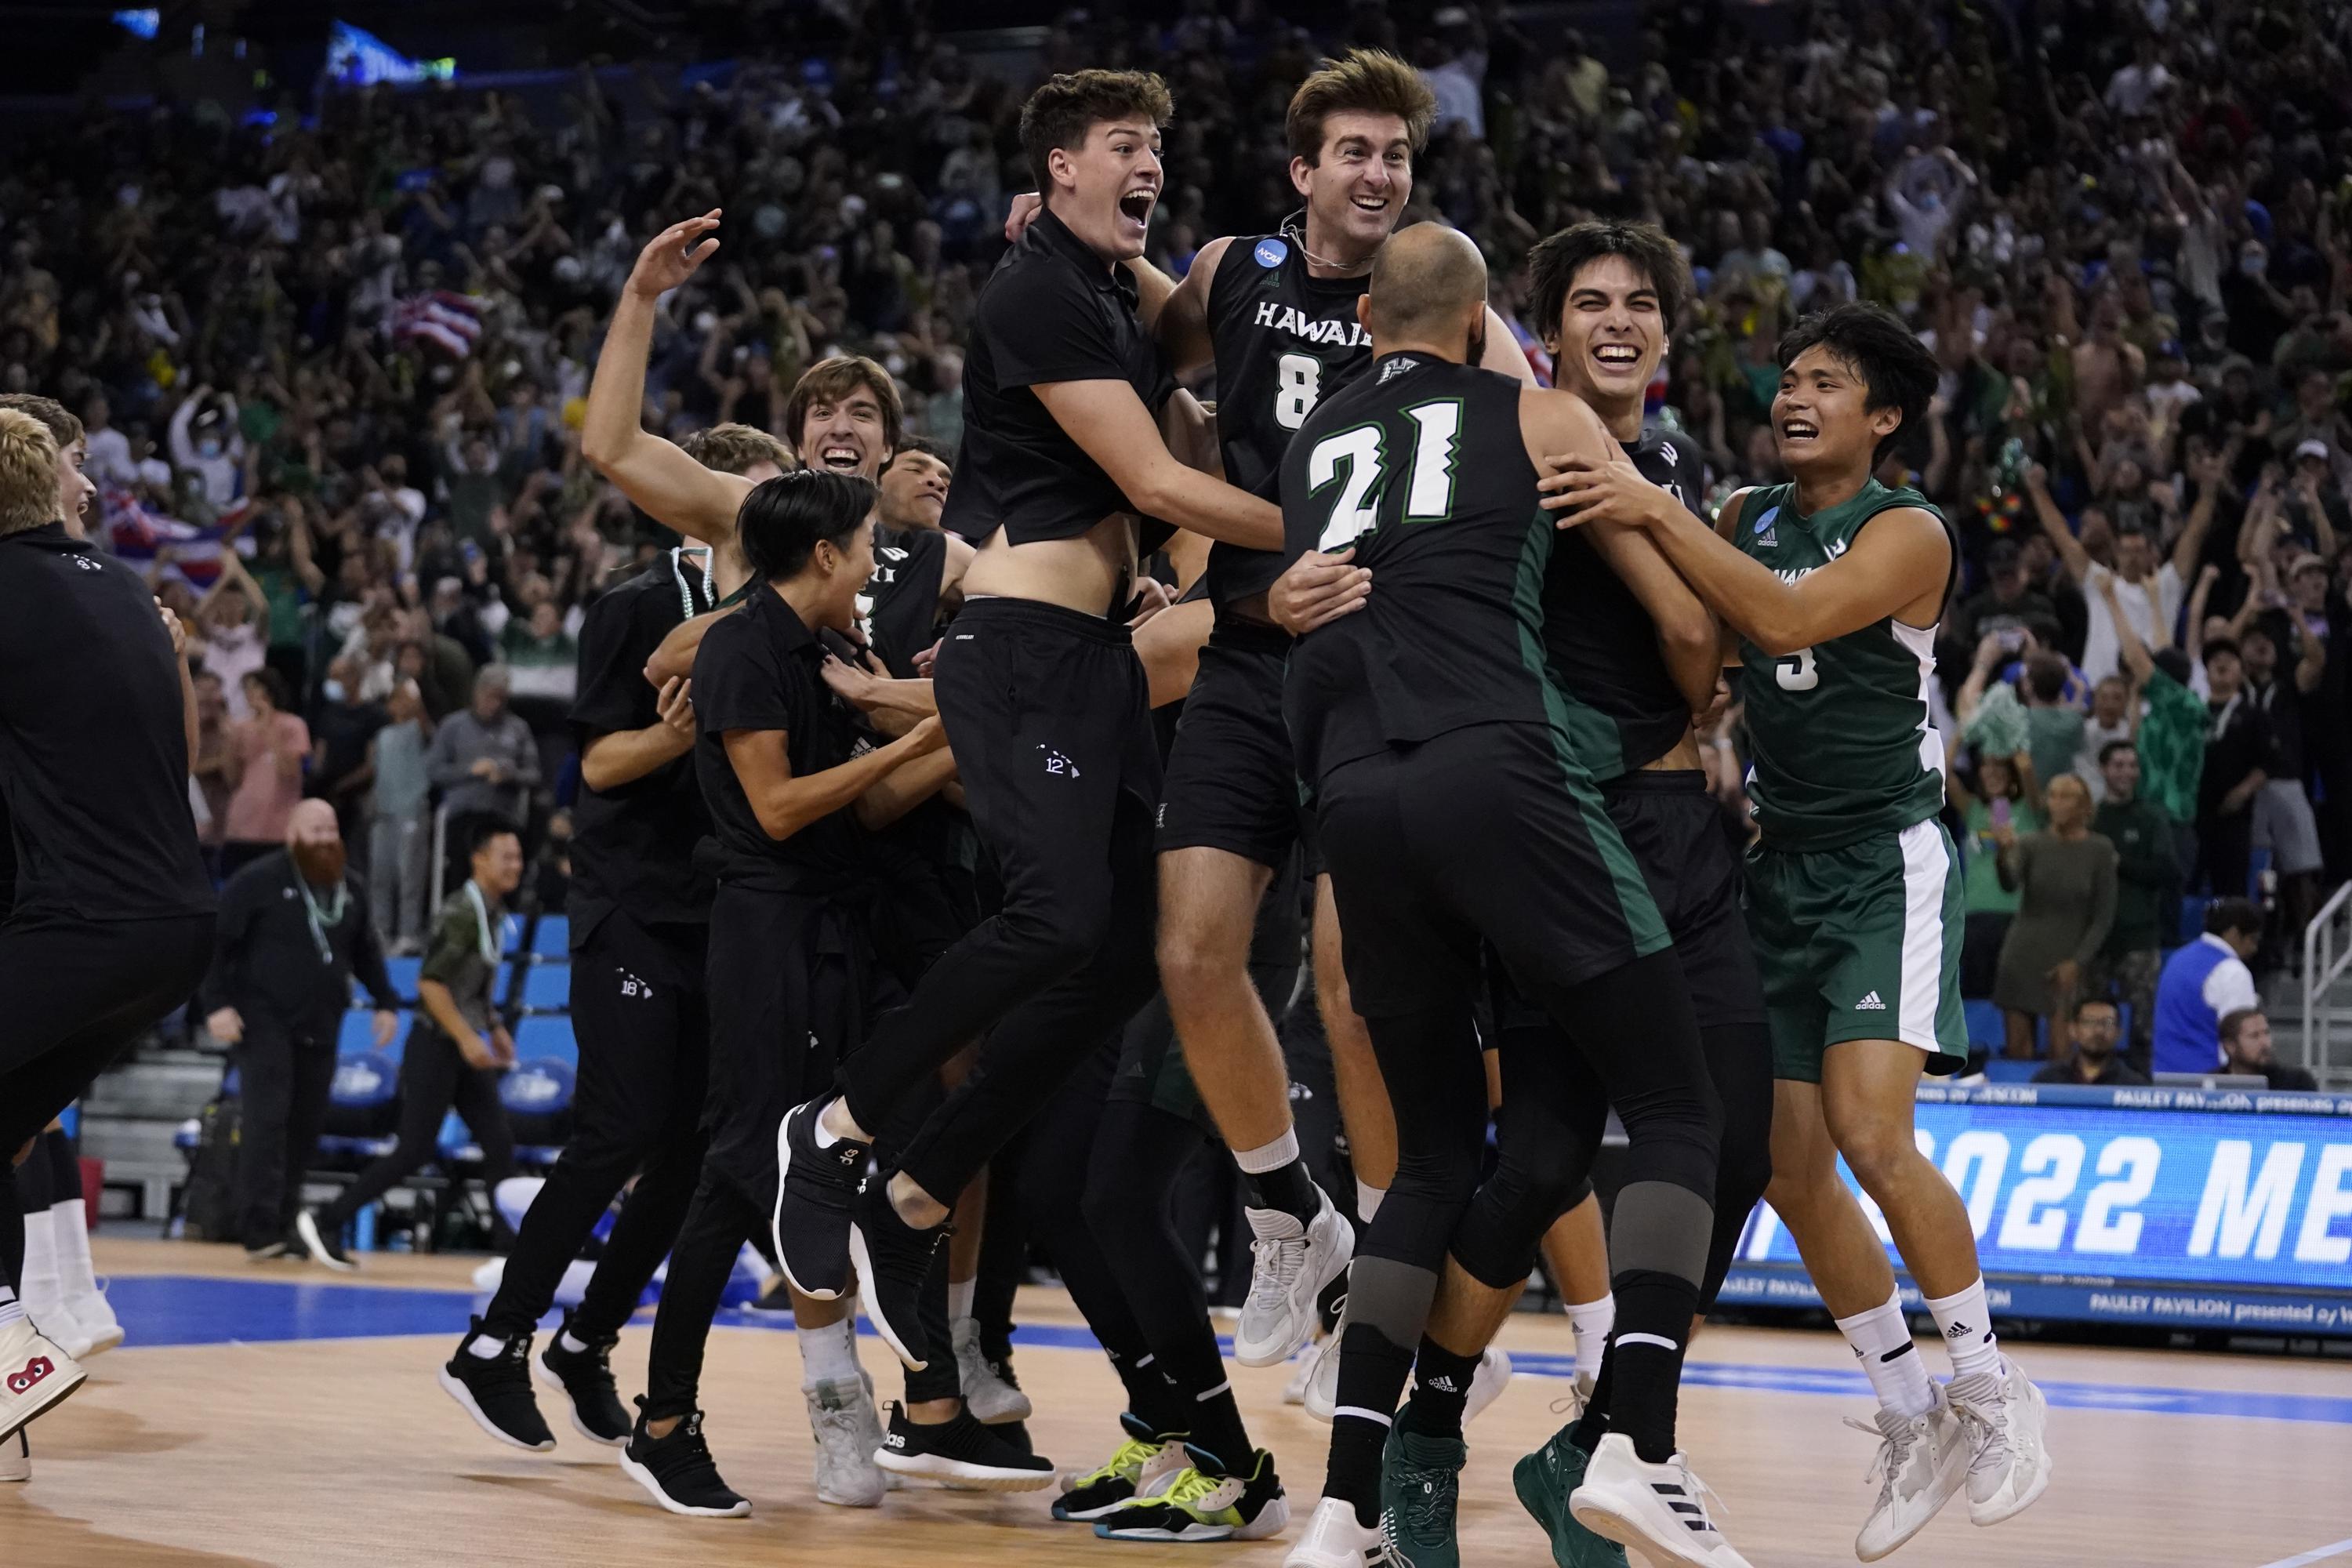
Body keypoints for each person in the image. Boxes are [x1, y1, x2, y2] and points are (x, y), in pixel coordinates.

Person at [772, 69, 1287, 1381]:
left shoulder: (1108, 283)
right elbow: (1160, 478)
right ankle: (834, 1132)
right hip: (1022, 652)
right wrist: (1349, 525)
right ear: (1060, 165)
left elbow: (1218, 332)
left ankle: (922, 1182)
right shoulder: (1035, 289)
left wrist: (1221, 262)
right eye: (1125, 146)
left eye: (1159, 149)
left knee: (1125, 952)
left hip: (1094, 661)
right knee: (1059, 917)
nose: (1151, 166)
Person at [1278, 218, 1775, 1566]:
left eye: (1640, 304)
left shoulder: (1323, 441)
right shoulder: (1546, 424)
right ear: (1514, 322)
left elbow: (1323, 599)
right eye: (1590, 303)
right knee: (1647, 1121)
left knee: (1486, 1159)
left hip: (1376, 797)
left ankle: (1356, 1498)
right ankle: (1626, 1443)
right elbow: (1696, 641)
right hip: (1538, 797)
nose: (1618, 321)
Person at [1065, 49, 1541, 1390]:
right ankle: (1291, 1222)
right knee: (1196, 953)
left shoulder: (1446, 299)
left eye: (1396, 154)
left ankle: (1388, 1288)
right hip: (1244, 648)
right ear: (1304, 172)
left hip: (1380, 669)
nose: (1379, 173)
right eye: (1356, 152)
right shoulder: (1229, 275)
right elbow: (1132, 364)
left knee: (1353, 992)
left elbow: (1532, 432)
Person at [1567, 303, 2051, 1554]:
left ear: (1881, 418)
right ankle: (1908, 1408)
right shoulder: (1741, 515)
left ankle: (1993, 1390)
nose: (1794, 398)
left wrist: (1642, 500)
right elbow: (1704, 639)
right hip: (1776, 864)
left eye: (1824, 384)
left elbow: (1780, 623)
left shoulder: (1908, 532)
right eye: (1787, 380)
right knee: (1786, 1167)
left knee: (1870, 1134)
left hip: (1885, 869)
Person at [616, 470, 991, 1518]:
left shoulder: (826, 654)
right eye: (867, 543)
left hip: (835, 929)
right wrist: (915, 739)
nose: (877, 562)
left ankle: (910, 1391)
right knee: (740, 1171)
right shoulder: (740, 647)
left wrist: (941, 739)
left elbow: (861, 817)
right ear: (823, 553)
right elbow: (779, 809)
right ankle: (662, 1426)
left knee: (839, 1160)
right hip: (766, 931)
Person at [437, 524, 728, 1457]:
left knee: (687, 1152)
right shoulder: (635, 603)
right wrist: (672, 735)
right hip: (629, 907)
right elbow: (600, 766)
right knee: (622, 1125)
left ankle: (585, 1339)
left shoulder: (781, 611)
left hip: (711, 914)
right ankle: (493, 1340)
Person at [0, 406, 216, 1444]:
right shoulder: (130, 592)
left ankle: (11, 1352)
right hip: (173, 923)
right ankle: (10, 1417)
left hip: (83, 922)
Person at [293, 823, 526, 1271]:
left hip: (460, 1040)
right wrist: (466, 1037)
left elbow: (468, 986)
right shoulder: (462, 911)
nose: (515, 866)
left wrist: (493, 1025)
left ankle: (511, 1250)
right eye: (507, 857)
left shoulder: (493, 912)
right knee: (414, 1149)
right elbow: (431, 985)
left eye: (518, 858)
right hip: (436, 1044)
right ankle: (326, 1218)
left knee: (499, 1143)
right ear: (479, 860)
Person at [201, 800, 401, 1261]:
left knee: (305, 1126)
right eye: (314, 829)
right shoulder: (257, 880)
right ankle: (258, 1227)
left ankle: (287, 1221)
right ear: (292, 834)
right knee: (267, 1120)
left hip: (323, 1021)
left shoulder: (349, 887)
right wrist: (217, 1005)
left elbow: (366, 951)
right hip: (262, 1017)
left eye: (331, 828)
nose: (325, 837)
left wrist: (386, 1002)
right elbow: (216, 943)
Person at [1993, 774, 2118, 1065]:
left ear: (2084, 805)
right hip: (2022, 957)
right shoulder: (2031, 843)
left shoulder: (2099, 850)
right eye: (2052, 796)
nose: (2057, 803)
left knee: (2062, 1056)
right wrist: (2002, 853)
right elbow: (2009, 883)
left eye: (2066, 797)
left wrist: (2077, 962)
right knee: (2017, 1053)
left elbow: (2103, 916)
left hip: (2069, 961)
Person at [2089, 741, 2176, 1070]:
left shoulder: (2150, 817)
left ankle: (2139, 1091)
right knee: (2090, 1020)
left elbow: (2169, 871)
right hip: (2095, 940)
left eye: (2132, 765)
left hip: (2138, 937)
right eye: (2119, 765)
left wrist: (2118, 862)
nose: (2127, 772)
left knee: (2142, 1028)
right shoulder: (2092, 816)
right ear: (2103, 769)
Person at [426, 665, 541, 896]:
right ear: (476, 693)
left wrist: (510, 775)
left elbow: (535, 774)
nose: (495, 704)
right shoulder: (453, 726)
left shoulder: (518, 728)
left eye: (501, 698)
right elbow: (433, 771)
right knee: (462, 861)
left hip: (503, 817)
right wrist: (471, 771)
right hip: (463, 815)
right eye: (490, 696)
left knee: (510, 852)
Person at [2193, 637, 2274, 900]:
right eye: (2214, 659)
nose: (2221, 661)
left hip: (2234, 817)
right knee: (2189, 884)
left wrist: (2243, 791)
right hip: (2193, 813)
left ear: (2241, 670)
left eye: (2230, 658)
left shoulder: (2254, 714)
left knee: (2231, 890)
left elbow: (2269, 761)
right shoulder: (2194, 711)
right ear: (2205, 673)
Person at [2151, 897, 2263, 1075]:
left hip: (2163, 1079)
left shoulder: (2177, 959)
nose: (2254, 949)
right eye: (2253, 939)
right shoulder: (2233, 972)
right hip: (2208, 1086)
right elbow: (2240, 1042)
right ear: (2233, 933)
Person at [365, 681, 436, 953]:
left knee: (410, 875)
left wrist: (414, 696)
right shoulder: (382, 735)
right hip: (384, 813)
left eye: (402, 699)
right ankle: (380, 930)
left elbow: (425, 723)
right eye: (394, 700)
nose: (398, 704)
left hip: (411, 809)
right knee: (380, 875)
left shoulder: (419, 728)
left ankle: (409, 932)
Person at [221, 668, 311, 876]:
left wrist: (267, 725)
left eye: (256, 687)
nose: (250, 693)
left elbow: (291, 771)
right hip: (242, 825)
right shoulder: (241, 728)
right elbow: (232, 779)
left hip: (279, 827)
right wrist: (229, 743)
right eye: (247, 689)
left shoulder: (293, 725)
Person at [2030, 1000, 2150, 1087]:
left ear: (2119, 1033)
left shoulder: (2134, 1085)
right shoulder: (2047, 1080)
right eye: (2089, 1022)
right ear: (2073, 1030)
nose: (2098, 1031)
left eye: (2107, 1023)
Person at [2218, 1007, 2318, 1091]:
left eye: (2266, 1033)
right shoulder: (2211, 1085)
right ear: (2230, 1046)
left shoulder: (2297, 1083)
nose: (2264, 1042)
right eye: (2254, 1036)